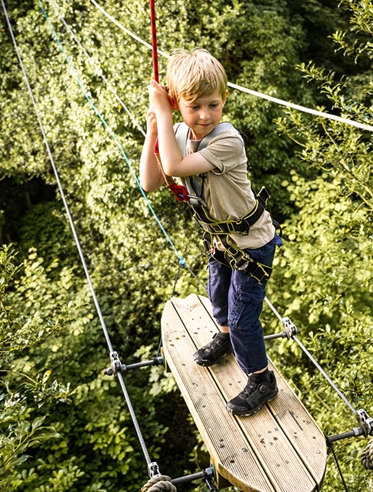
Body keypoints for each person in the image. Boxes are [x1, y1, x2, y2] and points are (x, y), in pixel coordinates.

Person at [138, 49, 281, 417]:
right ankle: (225, 338)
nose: (204, 115)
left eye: (213, 105)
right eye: (194, 106)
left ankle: (262, 379)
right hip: (221, 240)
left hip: (251, 244)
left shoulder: (227, 141)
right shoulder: (180, 134)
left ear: (225, 100)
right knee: (216, 295)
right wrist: (156, 128)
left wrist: (166, 114)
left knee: (242, 316)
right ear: (177, 103)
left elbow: (173, 165)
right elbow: (151, 181)